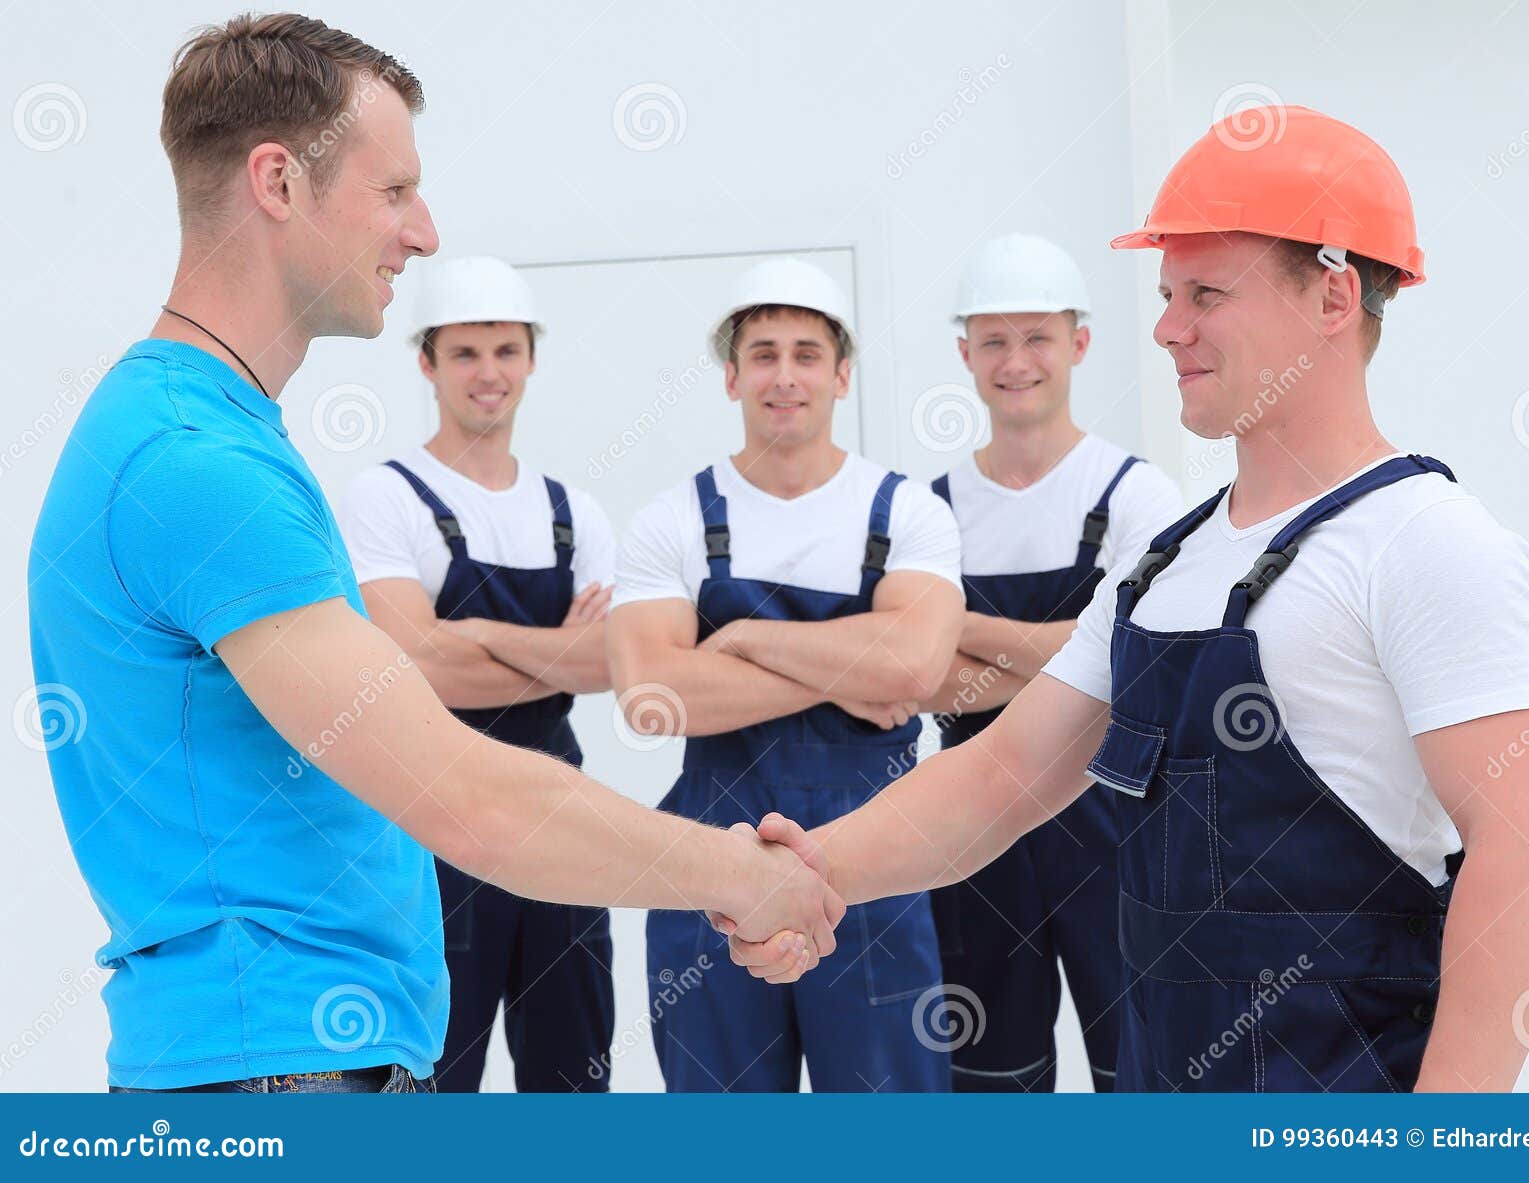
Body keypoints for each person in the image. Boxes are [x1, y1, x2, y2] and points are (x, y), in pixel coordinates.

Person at [27, 12, 838, 1095]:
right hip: (279, 1074)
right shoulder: (192, 460)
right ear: (279, 182)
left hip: (289, 1060)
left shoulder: (210, 435)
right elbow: (464, 793)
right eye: (394, 190)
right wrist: (738, 875)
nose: (424, 232)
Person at [725, 106, 1529, 1093]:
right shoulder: (1163, 566)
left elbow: (1526, 858)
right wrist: (805, 873)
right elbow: (999, 778)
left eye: (1206, 292)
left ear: (1335, 299)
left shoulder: (1428, 545)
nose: (1169, 328)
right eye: (1168, 294)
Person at [607, 258, 965, 1092]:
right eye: (762, 353)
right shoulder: (674, 518)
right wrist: (854, 667)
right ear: (731, 375)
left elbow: (915, 664)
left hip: (879, 854)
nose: (784, 375)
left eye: (807, 353)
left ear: (842, 373)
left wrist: (735, 640)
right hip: (709, 850)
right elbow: (654, 699)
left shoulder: (906, 510)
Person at [338, 256, 618, 1092]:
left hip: (562, 818)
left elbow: (615, 663)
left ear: (531, 358)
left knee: (572, 1074)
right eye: (465, 353)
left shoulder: (575, 511)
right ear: (426, 361)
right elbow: (412, 667)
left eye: (505, 350)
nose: (488, 373)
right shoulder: (385, 497)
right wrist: (556, 651)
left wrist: (467, 641)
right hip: (435, 825)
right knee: (436, 1073)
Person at [924, 233, 1182, 1092]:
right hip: (970, 823)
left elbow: (1132, 662)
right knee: (990, 1083)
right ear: (965, 352)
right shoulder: (927, 511)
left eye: (1037, 336)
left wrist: (960, 626)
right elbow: (916, 670)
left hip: (1110, 818)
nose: (1016, 360)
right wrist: (1071, 649)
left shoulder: (1139, 494)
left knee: (1136, 1070)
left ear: (1079, 342)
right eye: (994, 340)